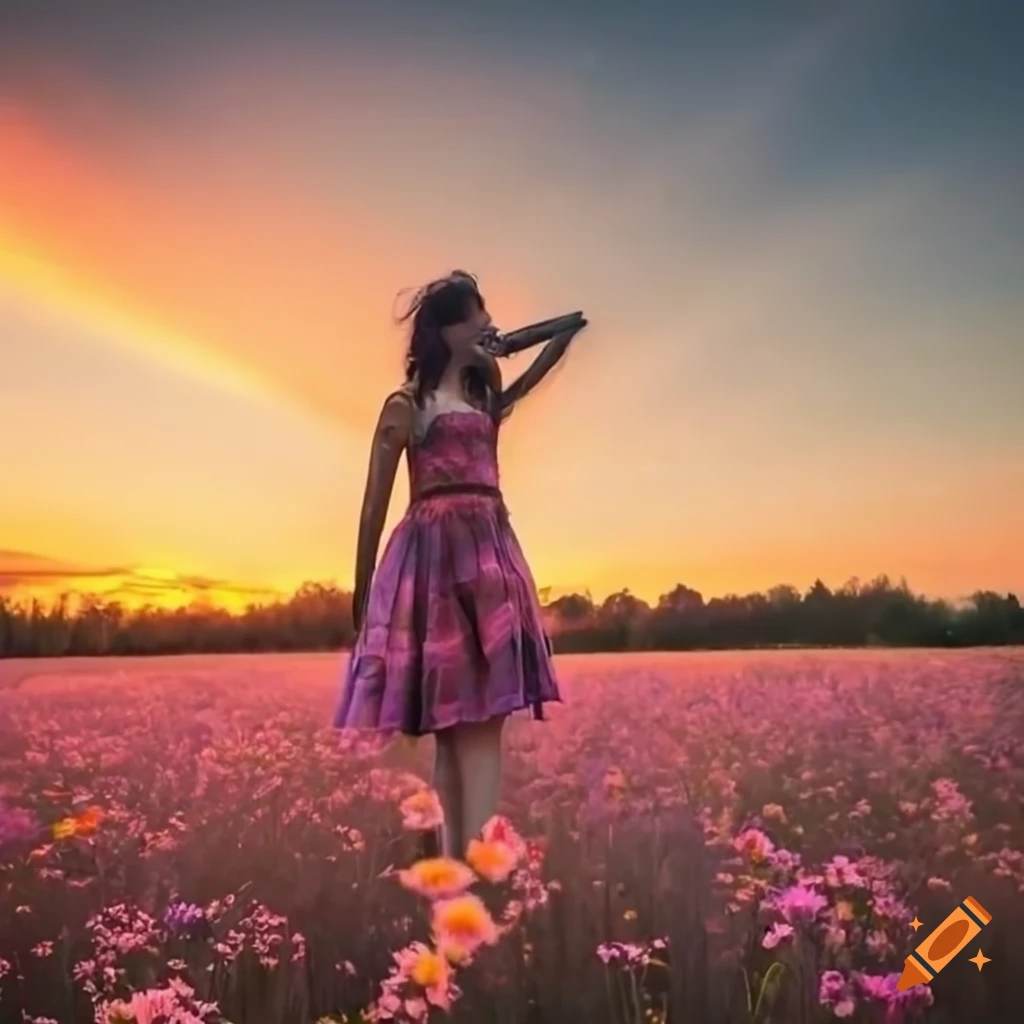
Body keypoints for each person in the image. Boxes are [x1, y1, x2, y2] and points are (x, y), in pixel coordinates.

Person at [334, 270, 587, 856]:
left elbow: (542, 360)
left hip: (492, 553)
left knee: (485, 721)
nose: (486, 323)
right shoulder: (406, 406)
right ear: (444, 329)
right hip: (434, 560)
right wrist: (363, 589)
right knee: (452, 731)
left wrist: (532, 340)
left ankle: (462, 858)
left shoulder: (483, 392)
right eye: (474, 315)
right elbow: (374, 503)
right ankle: (459, 860)